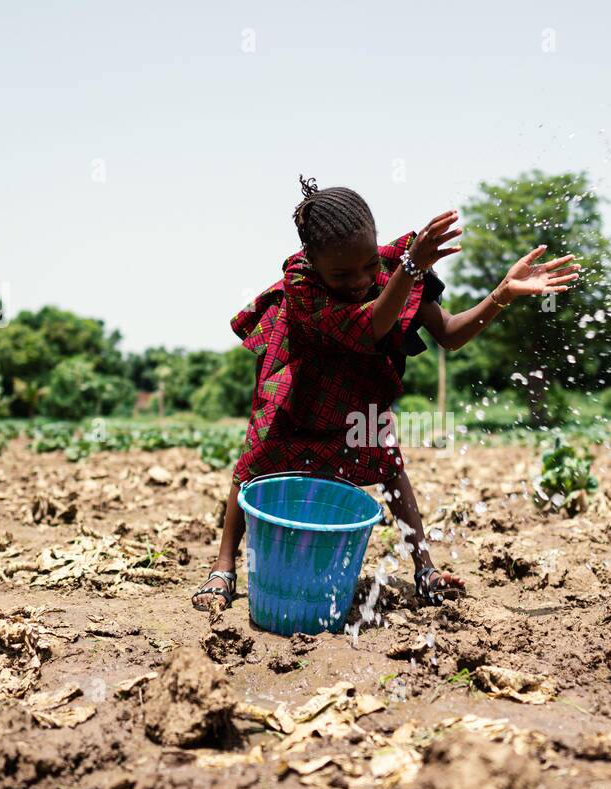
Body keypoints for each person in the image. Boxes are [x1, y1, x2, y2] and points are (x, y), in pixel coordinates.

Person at [192, 175, 578, 613]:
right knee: (255, 462)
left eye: (366, 266)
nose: (359, 280)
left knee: (388, 465)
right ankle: (223, 569)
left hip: (357, 388)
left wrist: (501, 294)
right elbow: (370, 325)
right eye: (341, 274)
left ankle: (425, 568)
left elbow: (450, 334)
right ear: (314, 262)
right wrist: (408, 269)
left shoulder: (397, 266)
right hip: (297, 387)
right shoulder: (301, 284)